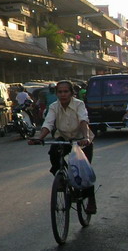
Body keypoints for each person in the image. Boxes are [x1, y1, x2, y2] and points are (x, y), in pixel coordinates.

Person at [29, 80, 96, 215]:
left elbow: (83, 120)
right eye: (60, 92)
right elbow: (48, 123)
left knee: (84, 171)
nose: (63, 94)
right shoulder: (54, 106)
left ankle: (91, 201)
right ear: (56, 93)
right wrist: (39, 138)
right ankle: (63, 178)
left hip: (81, 140)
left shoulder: (79, 104)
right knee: (53, 153)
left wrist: (86, 138)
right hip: (64, 138)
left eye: (66, 91)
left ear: (71, 93)